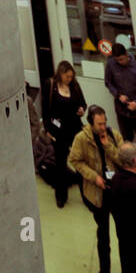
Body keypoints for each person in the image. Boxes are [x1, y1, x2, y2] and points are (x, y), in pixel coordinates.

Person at [69, 105, 124, 273]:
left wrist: (108, 144)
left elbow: (123, 161)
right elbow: (74, 160)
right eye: (99, 124)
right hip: (98, 195)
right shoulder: (81, 139)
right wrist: (94, 177)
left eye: (105, 122)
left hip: (117, 193)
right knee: (104, 238)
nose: (103, 127)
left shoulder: (113, 135)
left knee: (124, 236)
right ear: (91, 123)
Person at [44, 60, 86, 207]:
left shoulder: (74, 85)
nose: (69, 79)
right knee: (61, 164)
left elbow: (83, 103)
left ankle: (86, 196)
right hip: (59, 131)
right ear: (60, 74)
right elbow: (46, 110)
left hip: (75, 129)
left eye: (71, 77)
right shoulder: (50, 85)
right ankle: (61, 196)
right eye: (67, 77)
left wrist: (81, 110)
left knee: (80, 162)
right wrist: (48, 130)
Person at [109, 143, 136, 273]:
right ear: (135, 161)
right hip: (135, 234)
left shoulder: (116, 179)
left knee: (125, 251)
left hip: (123, 228)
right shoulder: (135, 187)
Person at [104, 43, 136, 142]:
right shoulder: (111, 64)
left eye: (122, 59)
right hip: (122, 110)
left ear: (126, 54)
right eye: (117, 60)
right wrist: (118, 95)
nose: (120, 62)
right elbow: (108, 82)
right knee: (126, 139)